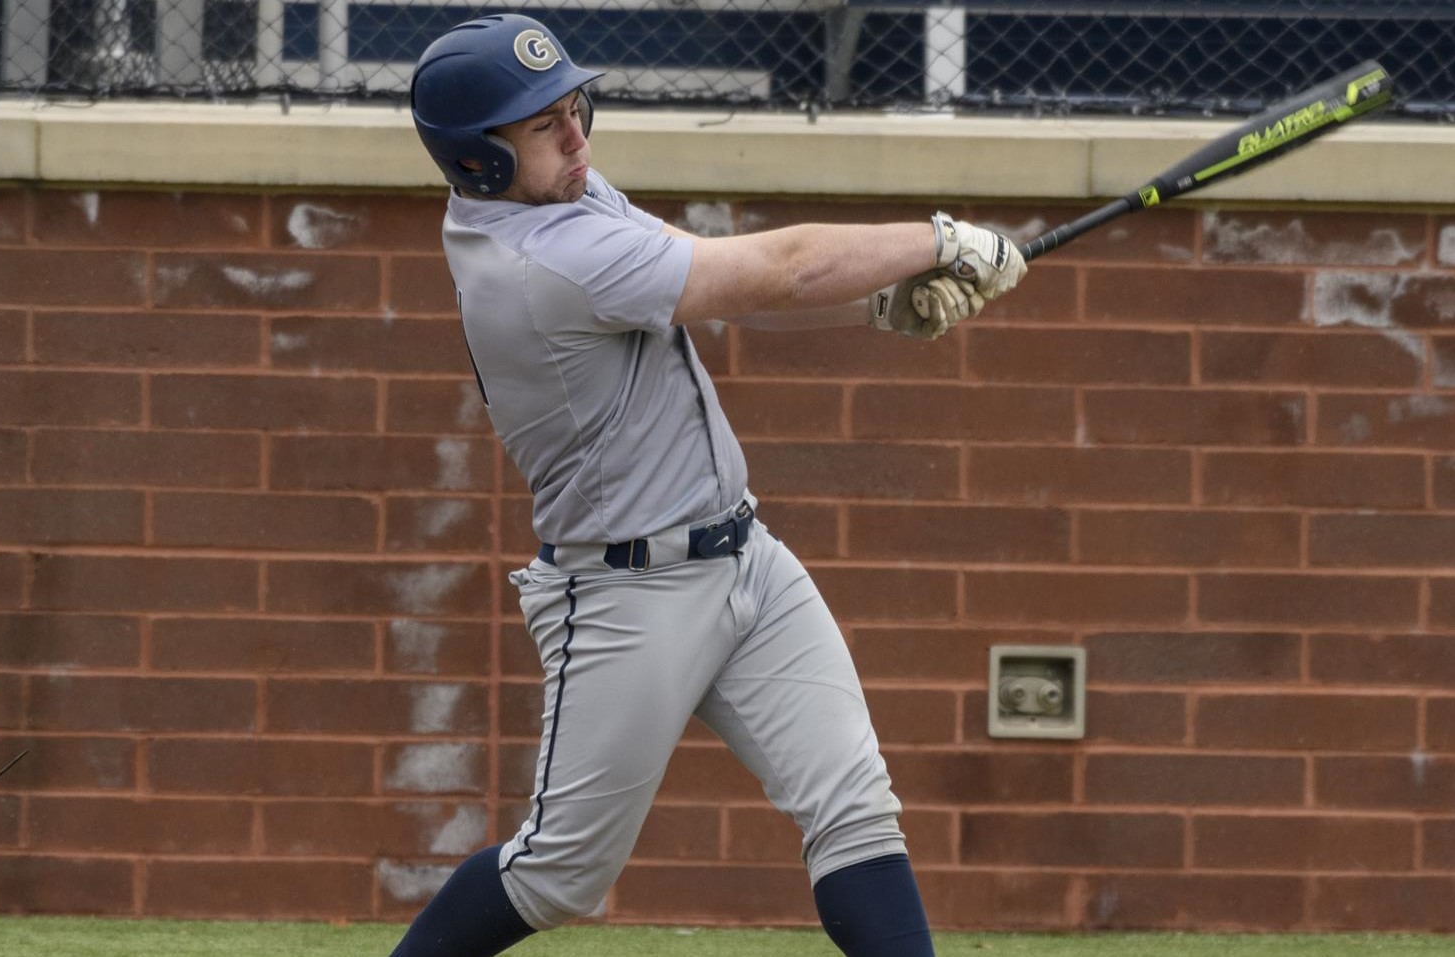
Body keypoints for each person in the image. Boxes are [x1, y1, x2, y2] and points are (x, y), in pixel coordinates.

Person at [394, 14, 1026, 957]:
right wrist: (938, 239)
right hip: (625, 594)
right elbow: (772, 270)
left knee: (855, 809)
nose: (575, 138)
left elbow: (716, 282)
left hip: (745, 559)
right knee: (557, 874)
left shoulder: (567, 201)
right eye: (542, 126)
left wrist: (882, 304)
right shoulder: (542, 261)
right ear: (477, 160)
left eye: (574, 109)